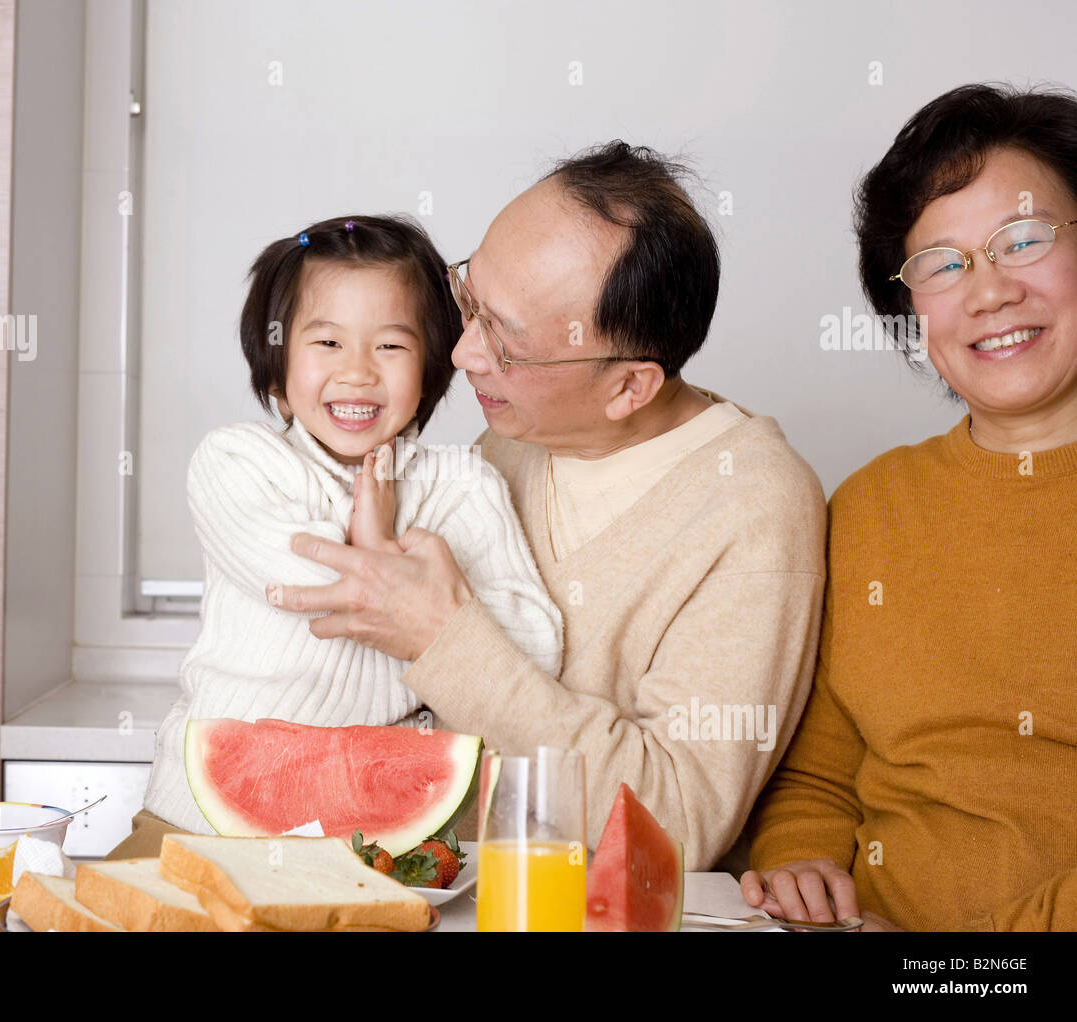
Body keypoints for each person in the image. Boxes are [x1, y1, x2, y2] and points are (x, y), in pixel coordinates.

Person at [269, 142, 828, 870]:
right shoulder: (510, 441)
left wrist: (442, 638)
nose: (465, 353)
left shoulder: (755, 505)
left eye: (507, 341)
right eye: (471, 300)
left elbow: (678, 822)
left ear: (629, 387)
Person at [741, 83, 1077, 931]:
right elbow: (817, 775)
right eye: (943, 263)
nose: (989, 291)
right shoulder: (871, 506)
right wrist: (801, 859)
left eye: (1024, 239)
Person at [120, 214, 563, 852]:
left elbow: (534, 645)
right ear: (276, 370)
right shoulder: (239, 463)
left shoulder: (465, 485)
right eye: (327, 344)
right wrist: (398, 568)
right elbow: (308, 585)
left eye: (390, 345)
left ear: (433, 368)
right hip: (195, 819)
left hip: (386, 833)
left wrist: (381, 553)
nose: (357, 371)